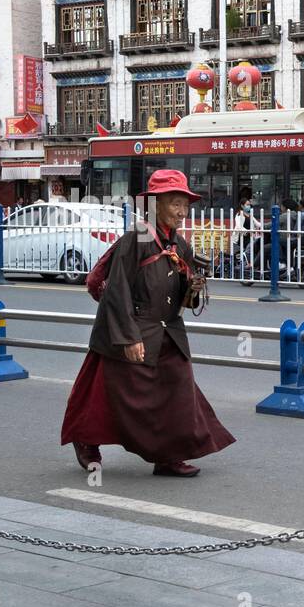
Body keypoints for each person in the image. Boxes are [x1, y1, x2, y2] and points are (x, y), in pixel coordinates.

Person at [61, 169, 235, 477]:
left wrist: (193, 290)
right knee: (111, 395)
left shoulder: (180, 244)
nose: (182, 212)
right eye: (175, 204)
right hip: (133, 330)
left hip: (169, 332)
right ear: (154, 205)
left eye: (185, 205)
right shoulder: (136, 238)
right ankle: (86, 440)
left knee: (179, 395)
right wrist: (129, 338)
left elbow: (183, 301)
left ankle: (168, 455)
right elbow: (117, 291)